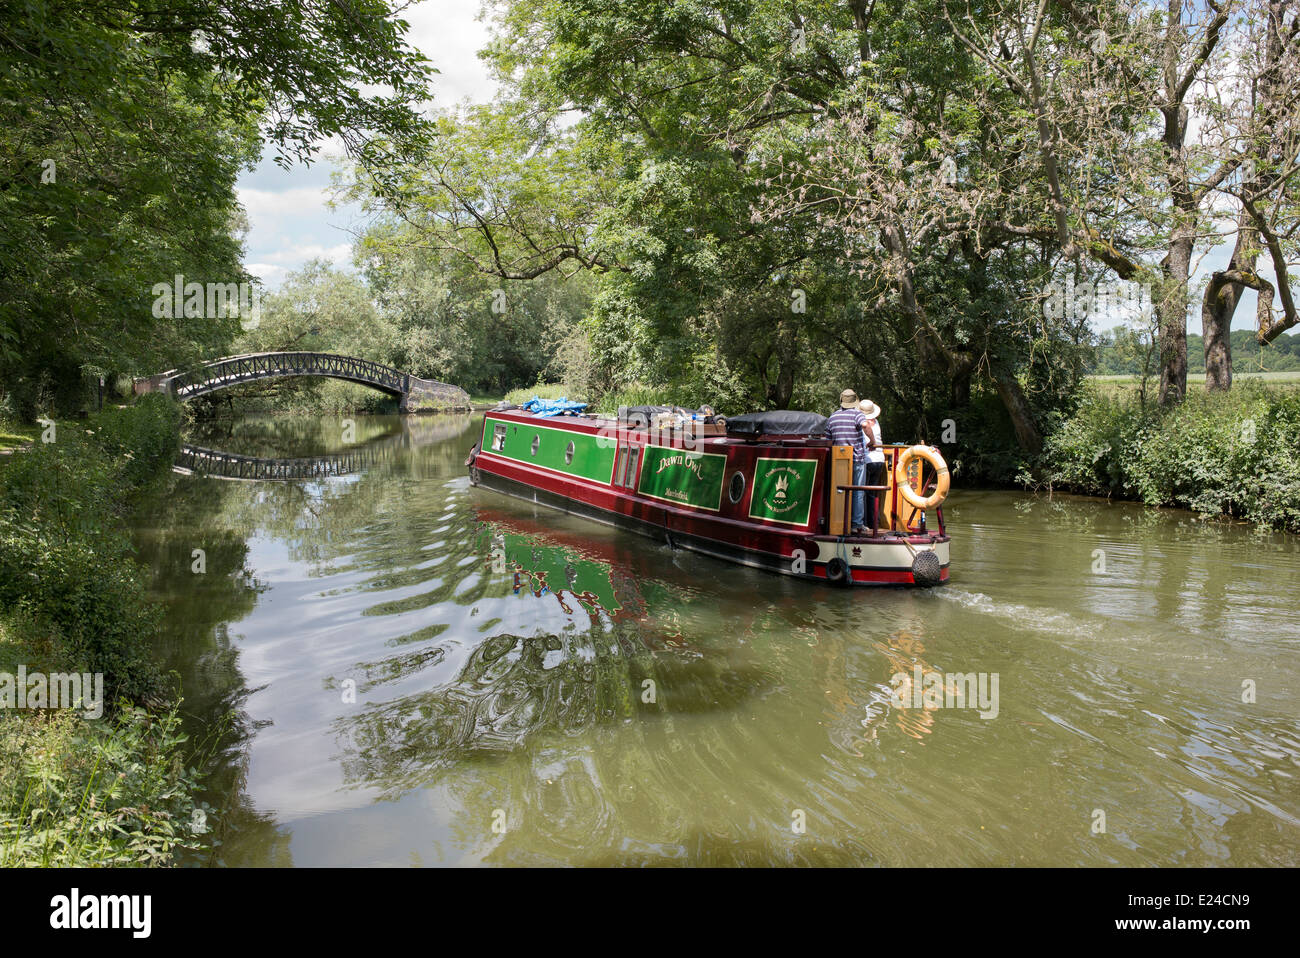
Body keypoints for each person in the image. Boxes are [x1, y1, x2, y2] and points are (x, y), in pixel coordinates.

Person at [825, 388, 870, 534]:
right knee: (858, 492)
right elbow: (865, 425)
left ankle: (838, 523)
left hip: (838, 461)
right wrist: (872, 441)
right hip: (857, 458)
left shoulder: (832, 417)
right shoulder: (857, 414)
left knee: (840, 491)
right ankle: (856, 524)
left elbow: (828, 440)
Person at [859, 399, 885, 531]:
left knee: (862, 493)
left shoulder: (863, 423)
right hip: (880, 459)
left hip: (868, 459)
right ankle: (873, 522)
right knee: (872, 493)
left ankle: (863, 523)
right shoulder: (877, 422)